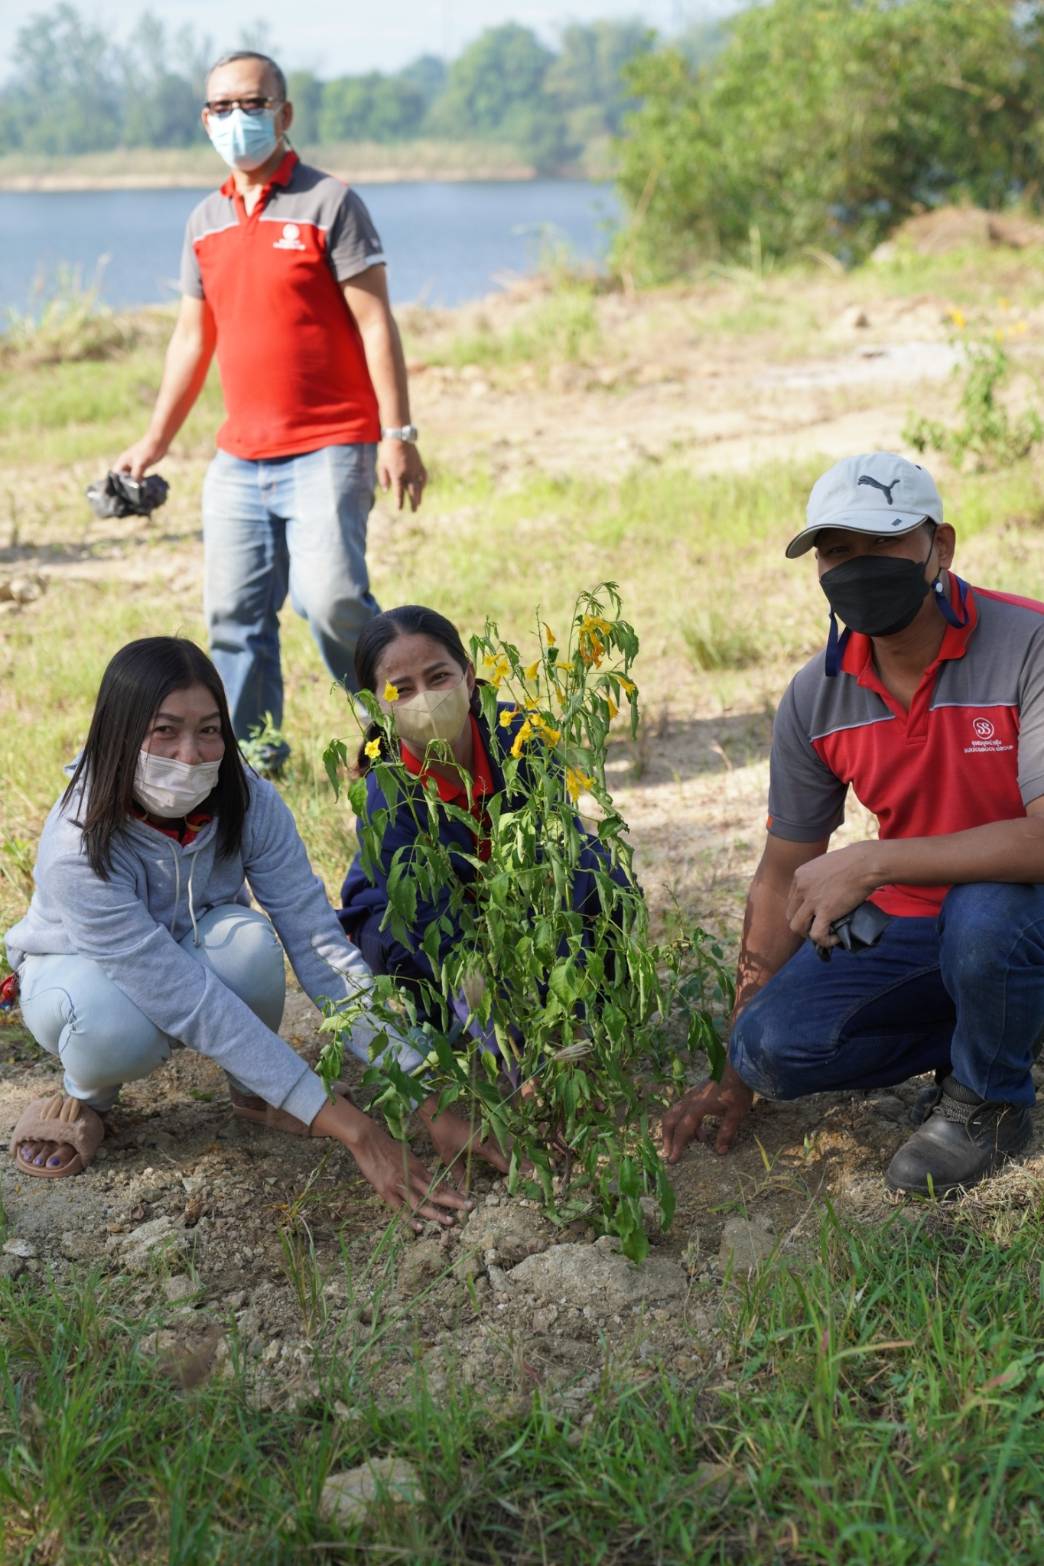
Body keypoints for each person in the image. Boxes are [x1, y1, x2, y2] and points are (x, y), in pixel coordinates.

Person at [662, 451, 1044, 1196]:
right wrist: (734, 1071)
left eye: (885, 543)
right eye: (838, 551)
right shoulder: (817, 694)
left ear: (941, 546)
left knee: (985, 910)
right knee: (771, 1047)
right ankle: (1006, 1019)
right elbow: (778, 875)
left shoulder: (1028, 642)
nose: (859, 566)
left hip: (1015, 910)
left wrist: (874, 861)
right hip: (922, 930)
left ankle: (989, 1105)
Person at [4, 637, 472, 1231]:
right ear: (117, 732)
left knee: (251, 945)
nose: (190, 754)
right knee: (113, 1030)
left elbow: (320, 947)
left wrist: (426, 1099)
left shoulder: (247, 799)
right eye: (165, 731)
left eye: (208, 730)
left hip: (195, 944)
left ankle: (257, 1091)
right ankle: (87, 1097)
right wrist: (359, 1132)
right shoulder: (77, 841)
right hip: (79, 970)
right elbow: (187, 1000)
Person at [114, 50, 426, 770]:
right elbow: (192, 338)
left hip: (332, 445)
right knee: (234, 621)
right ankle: (252, 761)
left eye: (250, 105)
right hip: (239, 458)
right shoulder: (204, 219)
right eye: (220, 107)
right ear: (204, 120)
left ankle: (401, 734)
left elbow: (377, 322)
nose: (235, 119)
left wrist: (398, 433)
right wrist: (154, 440)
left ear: (283, 115)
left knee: (332, 601)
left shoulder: (330, 203)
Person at [337, 605, 626, 1167]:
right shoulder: (387, 790)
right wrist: (515, 1060)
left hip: (507, 901)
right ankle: (470, 1037)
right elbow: (435, 929)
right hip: (420, 924)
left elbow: (554, 868)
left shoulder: (517, 736)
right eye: (402, 689)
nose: (426, 697)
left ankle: (583, 1019)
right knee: (422, 966)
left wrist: (558, 1025)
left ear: (469, 676)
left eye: (439, 676)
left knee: (596, 870)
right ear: (377, 707)